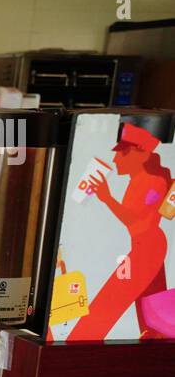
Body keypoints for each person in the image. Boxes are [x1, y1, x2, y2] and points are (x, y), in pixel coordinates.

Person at [67, 122, 170, 341]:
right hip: (143, 246)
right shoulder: (137, 180)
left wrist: (107, 198)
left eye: (122, 153)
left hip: (148, 246)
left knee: (109, 302)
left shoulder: (154, 182)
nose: (115, 159)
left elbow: (136, 217)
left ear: (141, 154)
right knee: (154, 316)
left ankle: (79, 341)